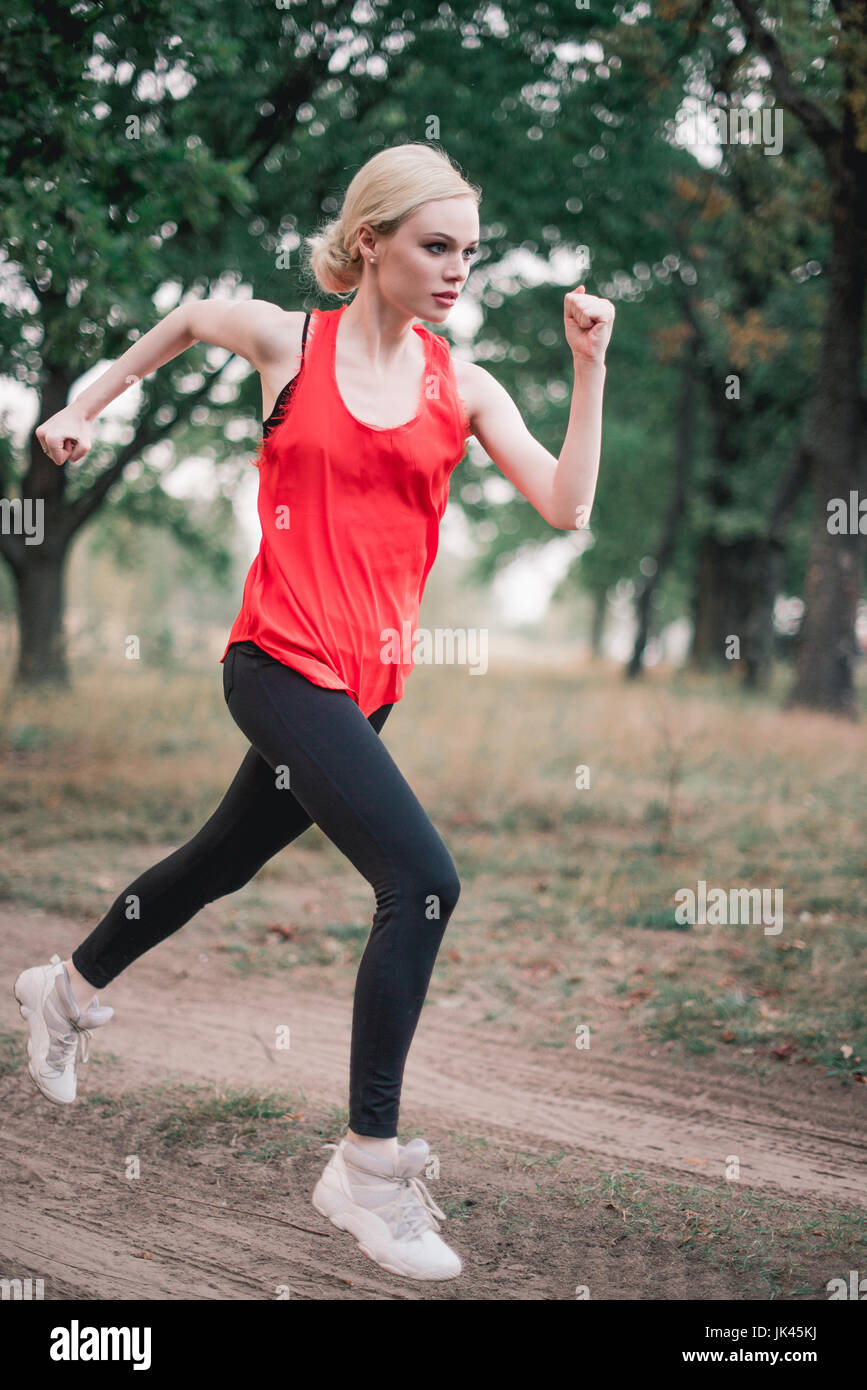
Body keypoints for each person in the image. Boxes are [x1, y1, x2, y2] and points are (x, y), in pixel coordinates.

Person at [16, 141, 614, 1282]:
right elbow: (189, 317)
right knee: (424, 880)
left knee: (220, 860)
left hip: (364, 689)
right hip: (275, 664)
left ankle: (68, 985)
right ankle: (368, 1164)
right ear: (370, 241)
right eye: (436, 247)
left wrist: (589, 365)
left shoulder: (464, 385)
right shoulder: (294, 343)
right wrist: (85, 401)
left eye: (470, 254)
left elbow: (566, 504)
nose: (456, 271)